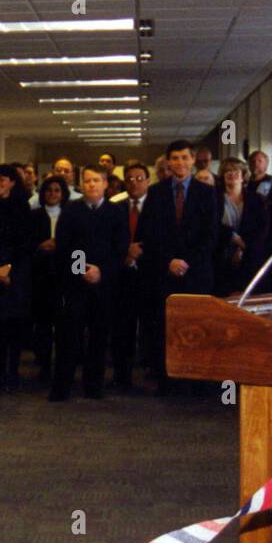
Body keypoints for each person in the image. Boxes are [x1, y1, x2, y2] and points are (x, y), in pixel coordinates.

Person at [144, 139, 217, 394]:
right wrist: (169, 261)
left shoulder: (207, 193)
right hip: (165, 271)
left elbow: (210, 235)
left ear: (193, 160)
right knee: (166, 327)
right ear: (168, 162)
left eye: (185, 158)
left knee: (196, 326)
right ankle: (168, 380)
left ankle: (196, 381)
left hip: (196, 272)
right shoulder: (155, 192)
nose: (180, 163)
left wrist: (188, 262)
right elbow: (150, 234)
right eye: (175, 158)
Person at [49, 165, 128, 401]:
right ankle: (61, 387)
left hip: (104, 284)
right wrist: (82, 268)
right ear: (81, 185)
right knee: (68, 336)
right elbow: (64, 244)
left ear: (105, 184)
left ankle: (93, 386)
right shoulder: (71, 211)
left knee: (99, 336)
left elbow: (120, 247)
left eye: (96, 181)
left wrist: (101, 271)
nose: (91, 185)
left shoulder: (116, 212)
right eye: (87, 181)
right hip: (75, 283)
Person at [0, 163, 33, 391]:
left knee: (15, 325)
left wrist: (10, 268)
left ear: (12, 182)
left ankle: (13, 371)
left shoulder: (22, 207)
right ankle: (0, 372)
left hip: (16, 273)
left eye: (3, 179)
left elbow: (26, 244)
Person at [113, 162, 151, 386]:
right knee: (122, 327)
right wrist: (125, 252)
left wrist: (140, 251)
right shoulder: (115, 207)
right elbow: (108, 239)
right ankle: (121, 375)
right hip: (122, 273)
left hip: (148, 273)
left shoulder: (158, 206)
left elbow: (163, 237)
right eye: (129, 179)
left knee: (149, 325)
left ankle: (152, 371)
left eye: (139, 178)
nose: (134, 183)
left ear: (148, 181)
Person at [28, 173, 68, 384]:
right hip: (41, 277)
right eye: (49, 190)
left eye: (57, 190)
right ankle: (43, 364)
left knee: (63, 324)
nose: (52, 194)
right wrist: (39, 247)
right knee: (42, 323)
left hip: (65, 277)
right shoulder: (33, 215)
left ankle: (63, 364)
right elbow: (25, 246)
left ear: (63, 194)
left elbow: (79, 247)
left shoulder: (71, 214)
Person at [215, 157, 269, 298]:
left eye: (236, 170)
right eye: (227, 171)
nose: (232, 174)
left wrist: (243, 247)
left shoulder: (257, 199)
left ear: (243, 175)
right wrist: (232, 237)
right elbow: (211, 225)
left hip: (250, 257)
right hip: (221, 258)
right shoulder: (213, 198)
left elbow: (261, 229)